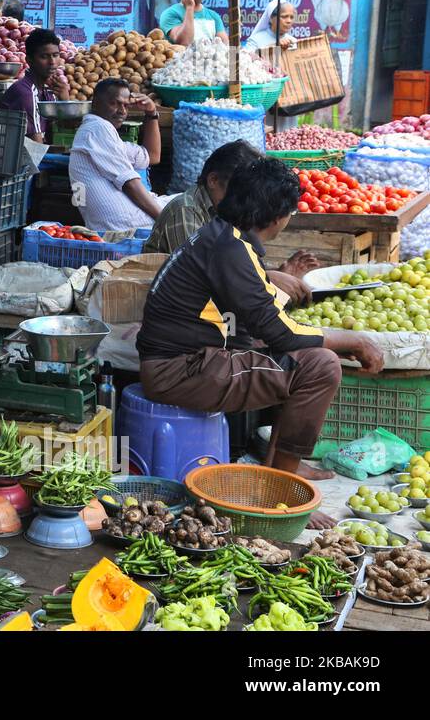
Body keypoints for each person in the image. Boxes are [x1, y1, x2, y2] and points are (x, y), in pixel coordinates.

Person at [138, 157, 384, 524]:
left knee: (304, 357)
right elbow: (281, 333)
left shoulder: (224, 236)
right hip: (179, 370)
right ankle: (283, 492)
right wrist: (354, 339)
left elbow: (259, 316)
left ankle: (282, 470)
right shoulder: (230, 248)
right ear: (278, 217)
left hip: (184, 359)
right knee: (320, 365)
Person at [144, 139, 320, 301]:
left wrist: (272, 275)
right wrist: (268, 278)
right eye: (237, 189)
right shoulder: (185, 211)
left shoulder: (226, 212)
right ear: (213, 180)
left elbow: (229, 266)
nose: (245, 198)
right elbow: (197, 275)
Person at [68, 79, 172, 232]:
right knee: (191, 202)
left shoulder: (106, 137)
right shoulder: (97, 128)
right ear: (95, 103)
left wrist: (151, 113)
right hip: (126, 225)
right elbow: (129, 183)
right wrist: (165, 221)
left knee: (187, 200)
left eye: (126, 105)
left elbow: (152, 156)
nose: (122, 111)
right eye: (115, 103)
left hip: (126, 220)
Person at [0, 27, 68, 141]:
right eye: (44, 56)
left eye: (55, 55)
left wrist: (64, 101)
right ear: (29, 60)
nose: (52, 62)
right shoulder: (26, 94)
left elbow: (58, 134)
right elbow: (36, 147)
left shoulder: (49, 91)